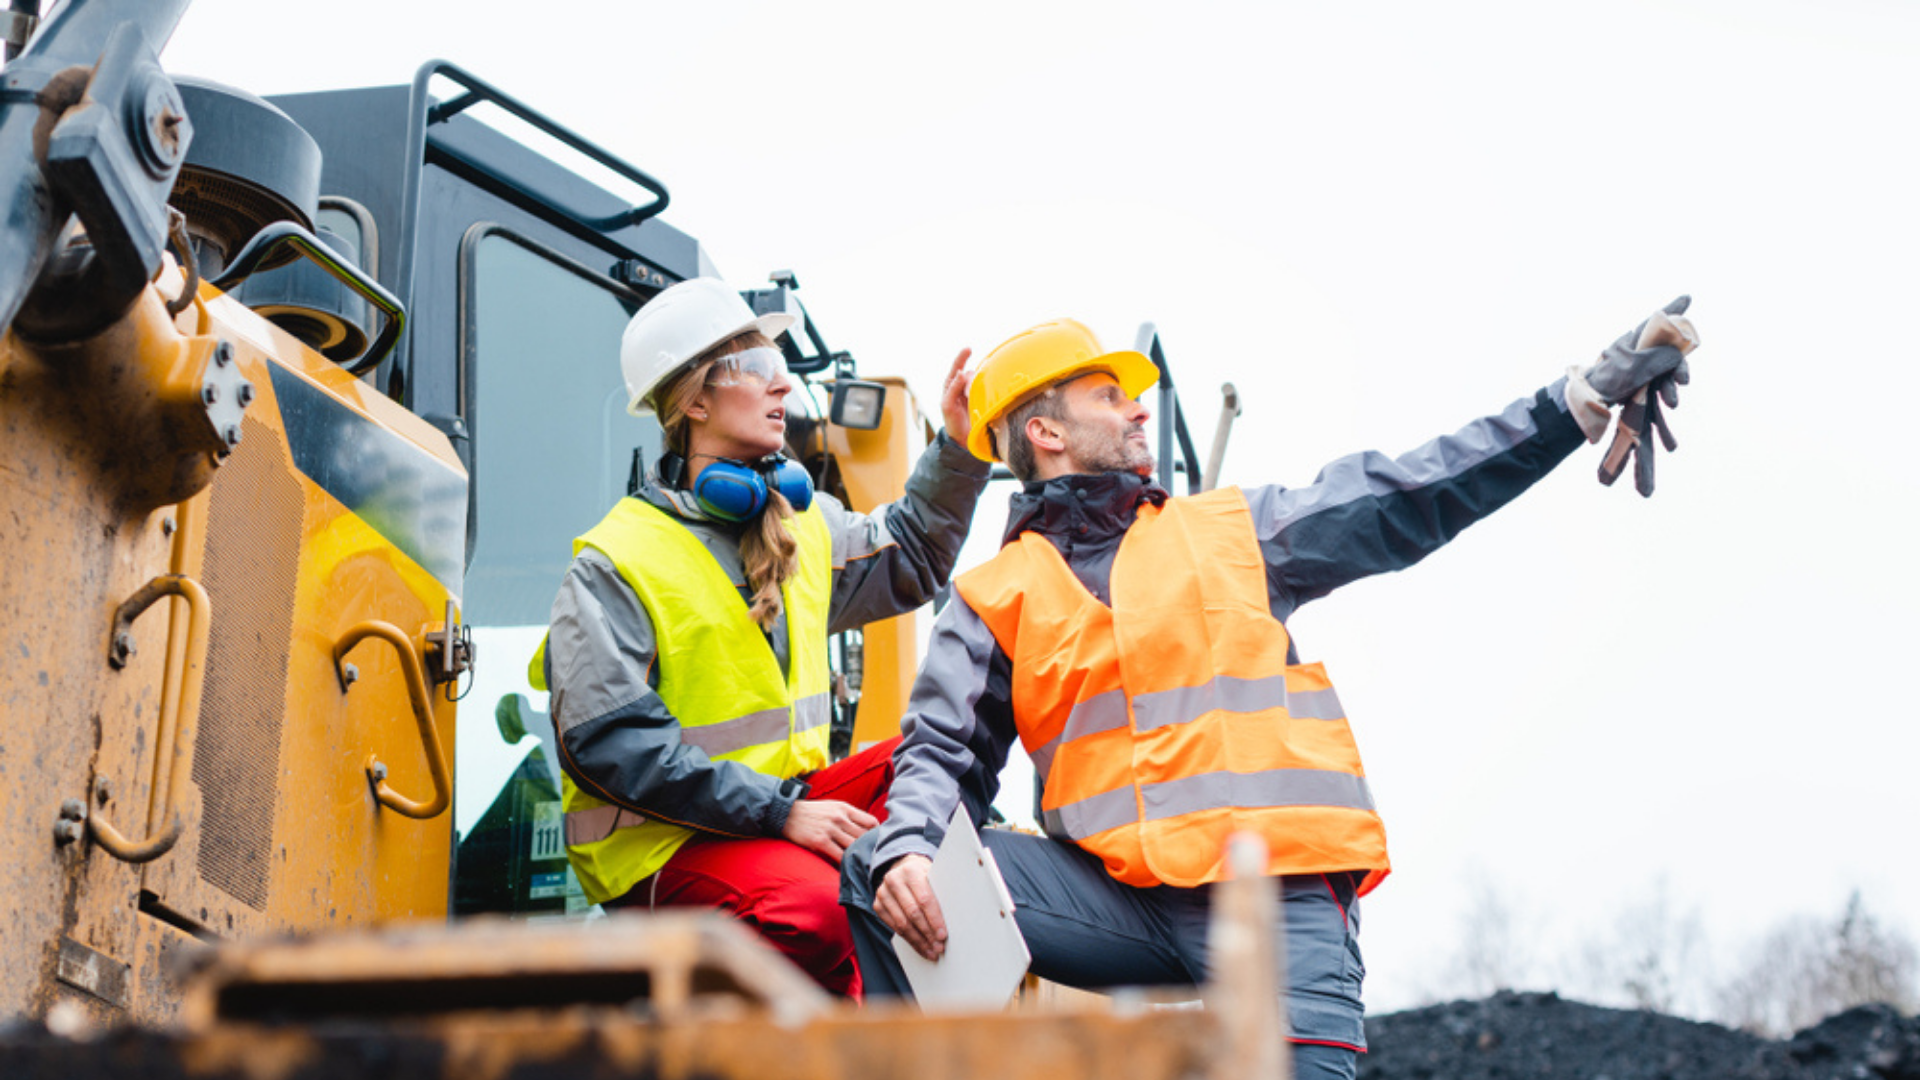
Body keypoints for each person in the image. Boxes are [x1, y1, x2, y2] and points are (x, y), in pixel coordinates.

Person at [841, 303, 1698, 1078]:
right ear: (1046, 432)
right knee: (877, 867)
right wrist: (910, 846)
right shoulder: (997, 594)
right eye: (1108, 395)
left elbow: (1414, 490)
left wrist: (1576, 400)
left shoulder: (1234, 530)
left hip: (1276, 896)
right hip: (1114, 899)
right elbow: (939, 754)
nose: (1138, 408)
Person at [531, 276, 990, 998]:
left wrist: (960, 451)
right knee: (817, 914)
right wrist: (783, 812)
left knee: (943, 769)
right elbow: (615, 749)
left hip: (776, 814)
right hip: (666, 850)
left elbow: (911, 555)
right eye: (761, 369)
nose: (784, 390)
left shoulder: (804, 528)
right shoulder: (615, 564)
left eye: (784, 371)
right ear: (695, 400)